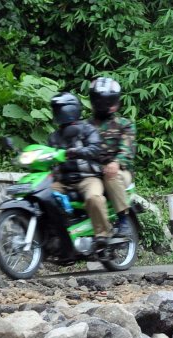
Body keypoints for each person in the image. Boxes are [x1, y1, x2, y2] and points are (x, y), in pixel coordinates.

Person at [47, 92, 107, 243]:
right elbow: (48, 155)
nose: (56, 112)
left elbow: (96, 148)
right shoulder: (54, 137)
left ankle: (102, 235)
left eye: (59, 109)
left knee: (94, 198)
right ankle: (55, 234)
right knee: (43, 197)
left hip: (87, 178)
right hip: (63, 181)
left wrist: (78, 151)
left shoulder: (87, 130)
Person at [89, 76, 136, 238]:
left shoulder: (124, 124)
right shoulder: (85, 126)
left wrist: (115, 162)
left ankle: (123, 219)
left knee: (111, 175)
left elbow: (127, 150)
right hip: (91, 173)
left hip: (119, 173)